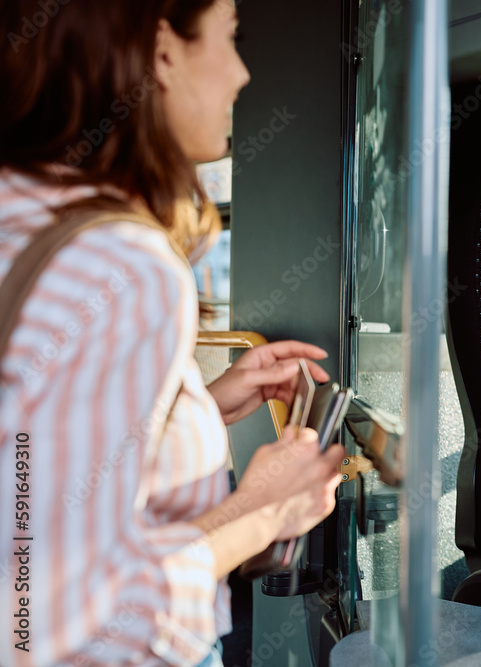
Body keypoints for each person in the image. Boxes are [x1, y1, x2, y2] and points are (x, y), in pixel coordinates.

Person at [0, 1, 345, 664]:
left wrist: (200, 405)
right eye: (230, 36)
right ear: (162, 51)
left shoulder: (25, 218)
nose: (243, 73)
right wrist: (260, 511)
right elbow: (45, 620)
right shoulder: (121, 265)